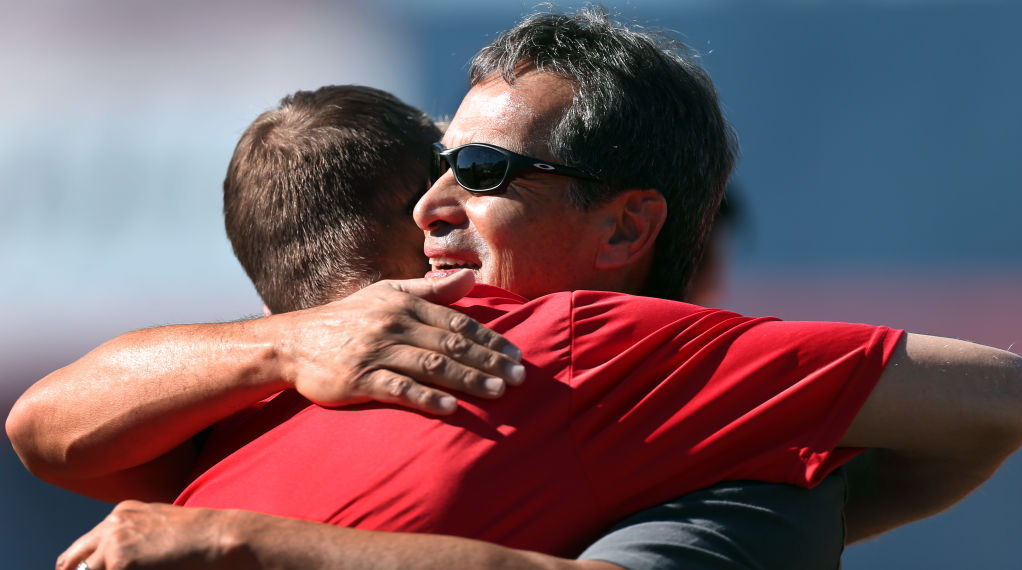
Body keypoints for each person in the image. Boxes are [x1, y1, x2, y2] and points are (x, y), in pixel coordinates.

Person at [10, 6, 1022, 569]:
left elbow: (1004, 394)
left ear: (625, 227)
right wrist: (290, 344)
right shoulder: (343, 347)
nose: (433, 204)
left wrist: (819, 488)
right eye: (436, 168)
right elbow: (43, 425)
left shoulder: (599, 342)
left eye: (482, 172)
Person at [10, 83, 846, 569]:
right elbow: (974, 401)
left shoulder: (210, 430)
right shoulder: (554, 356)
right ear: (431, 233)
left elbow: (41, 427)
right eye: (466, 181)